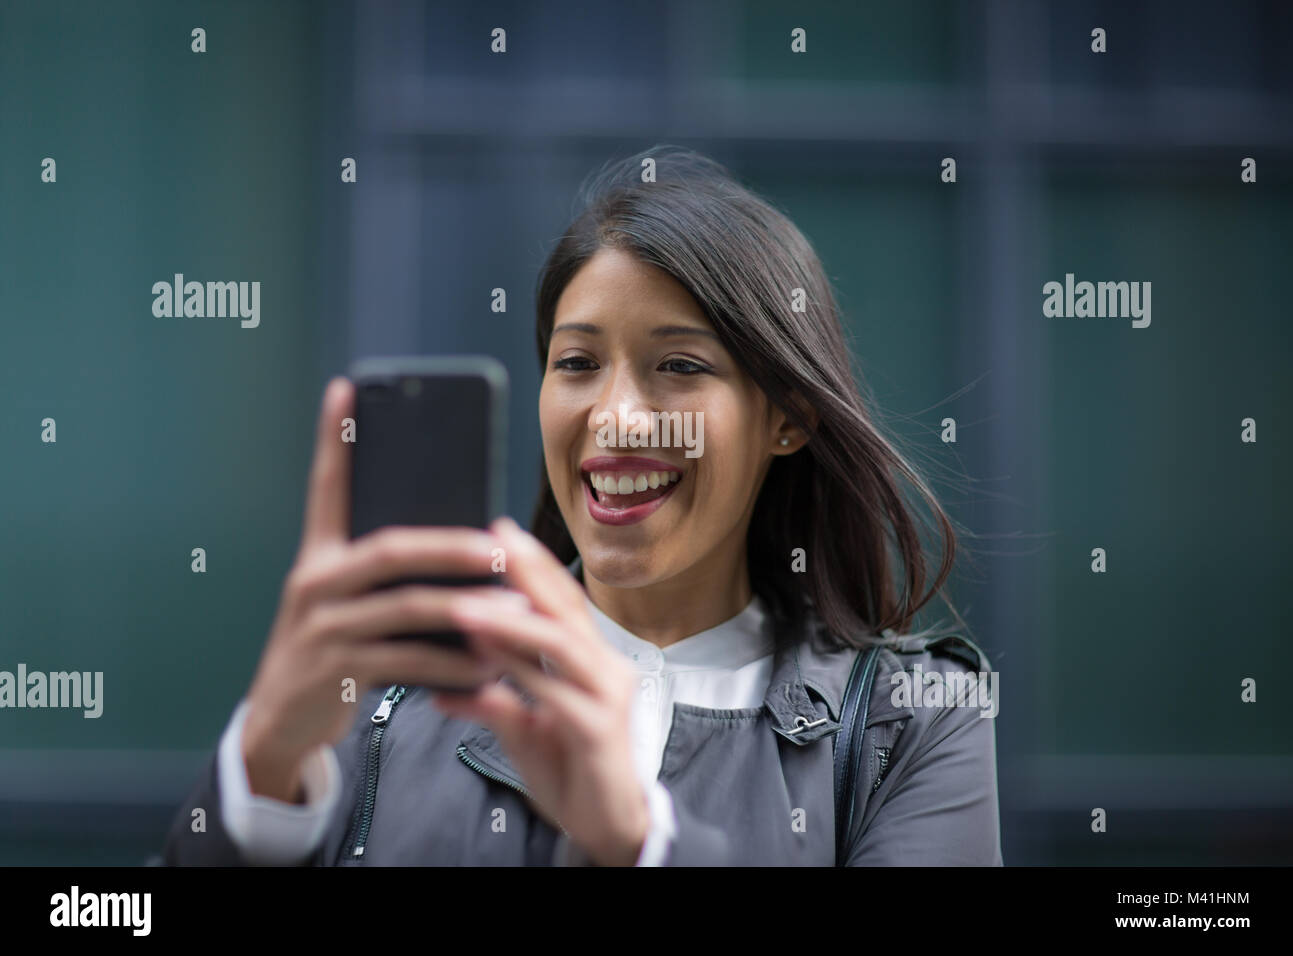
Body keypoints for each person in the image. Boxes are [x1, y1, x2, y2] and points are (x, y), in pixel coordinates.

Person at [161, 145, 1002, 866]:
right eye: (576, 364)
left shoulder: (917, 722)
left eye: (680, 366)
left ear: (787, 417)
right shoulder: (389, 689)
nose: (614, 419)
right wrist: (259, 772)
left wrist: (640, 840)